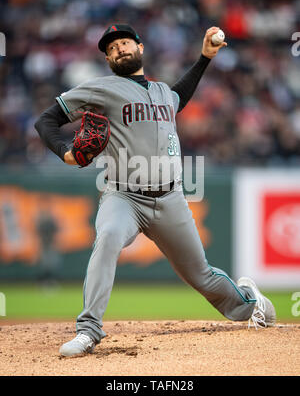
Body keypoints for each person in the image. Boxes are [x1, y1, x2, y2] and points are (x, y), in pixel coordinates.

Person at [35, 24, 276, 357]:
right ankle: (88, 329)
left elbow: (180, 95)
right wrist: (65, 152)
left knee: (202, 276)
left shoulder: (163, 91)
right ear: (107, 58)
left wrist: (205, 58)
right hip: (123, 196)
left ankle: (250, 303)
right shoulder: (101, 89)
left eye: (124, 42)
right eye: (112, 47)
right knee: (107, 239)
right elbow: (46, 120)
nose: (119, 48)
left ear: (140, 48)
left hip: (170, 198)